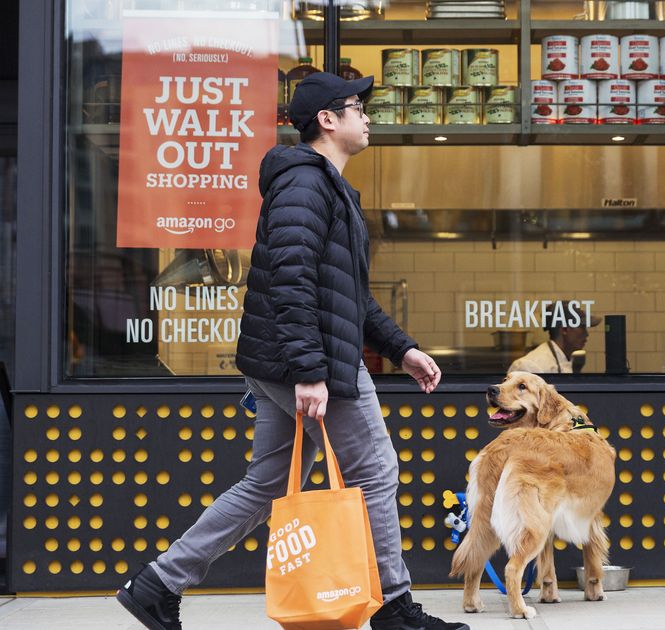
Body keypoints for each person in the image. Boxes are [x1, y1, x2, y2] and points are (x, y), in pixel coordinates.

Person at [117, 72, 469, 630]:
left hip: (292, 359)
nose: (367, 117)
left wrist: (401, 349)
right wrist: (309, 371)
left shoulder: (325, 187)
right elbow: (291, 278)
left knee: (265, 485)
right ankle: (394, 608)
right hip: (310, 362)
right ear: (328, 120)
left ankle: (157, 584)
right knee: (375, 471)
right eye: (357, 107)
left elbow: (348, 295)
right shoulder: (305, 185)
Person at [508, 300, 601, 374]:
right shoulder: (529, 366)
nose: (586, 334)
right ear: (565, 329)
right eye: (582, 327)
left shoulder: (568, 359)